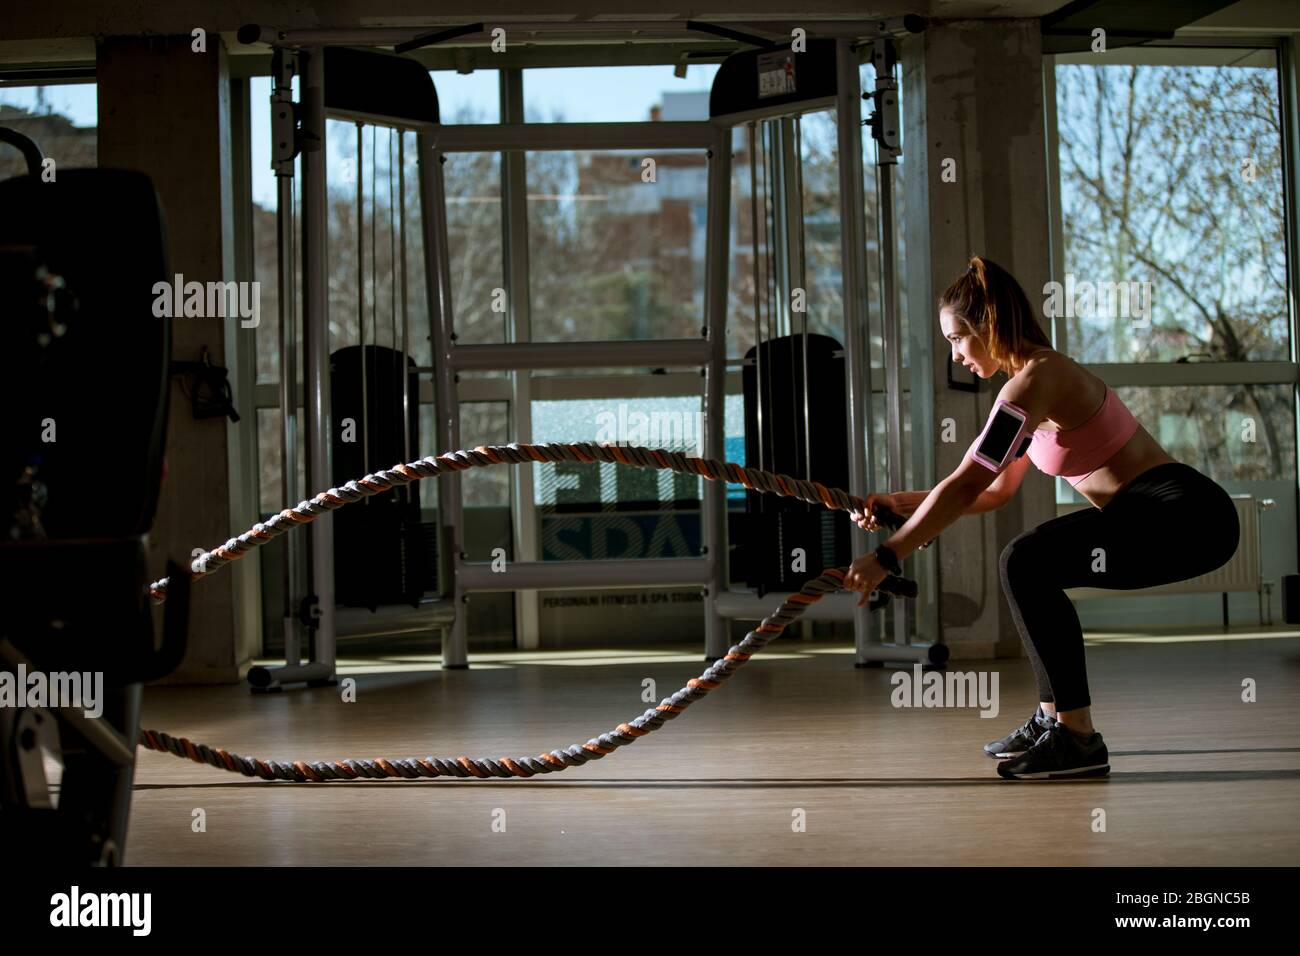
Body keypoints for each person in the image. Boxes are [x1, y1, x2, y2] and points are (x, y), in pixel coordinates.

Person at [842, 255, 1240, 780]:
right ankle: (1055, 718)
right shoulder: (1028, 397)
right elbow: (992, 492)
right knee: (1028, 563)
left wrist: (888, 554)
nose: (955, 354)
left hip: (1183, 513)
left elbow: (967, 484)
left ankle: (1076, 737)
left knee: (1025, 560)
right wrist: (899, 503)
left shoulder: (1037, 380)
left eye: (958, 338)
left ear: (989, 324)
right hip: (1152, 514)